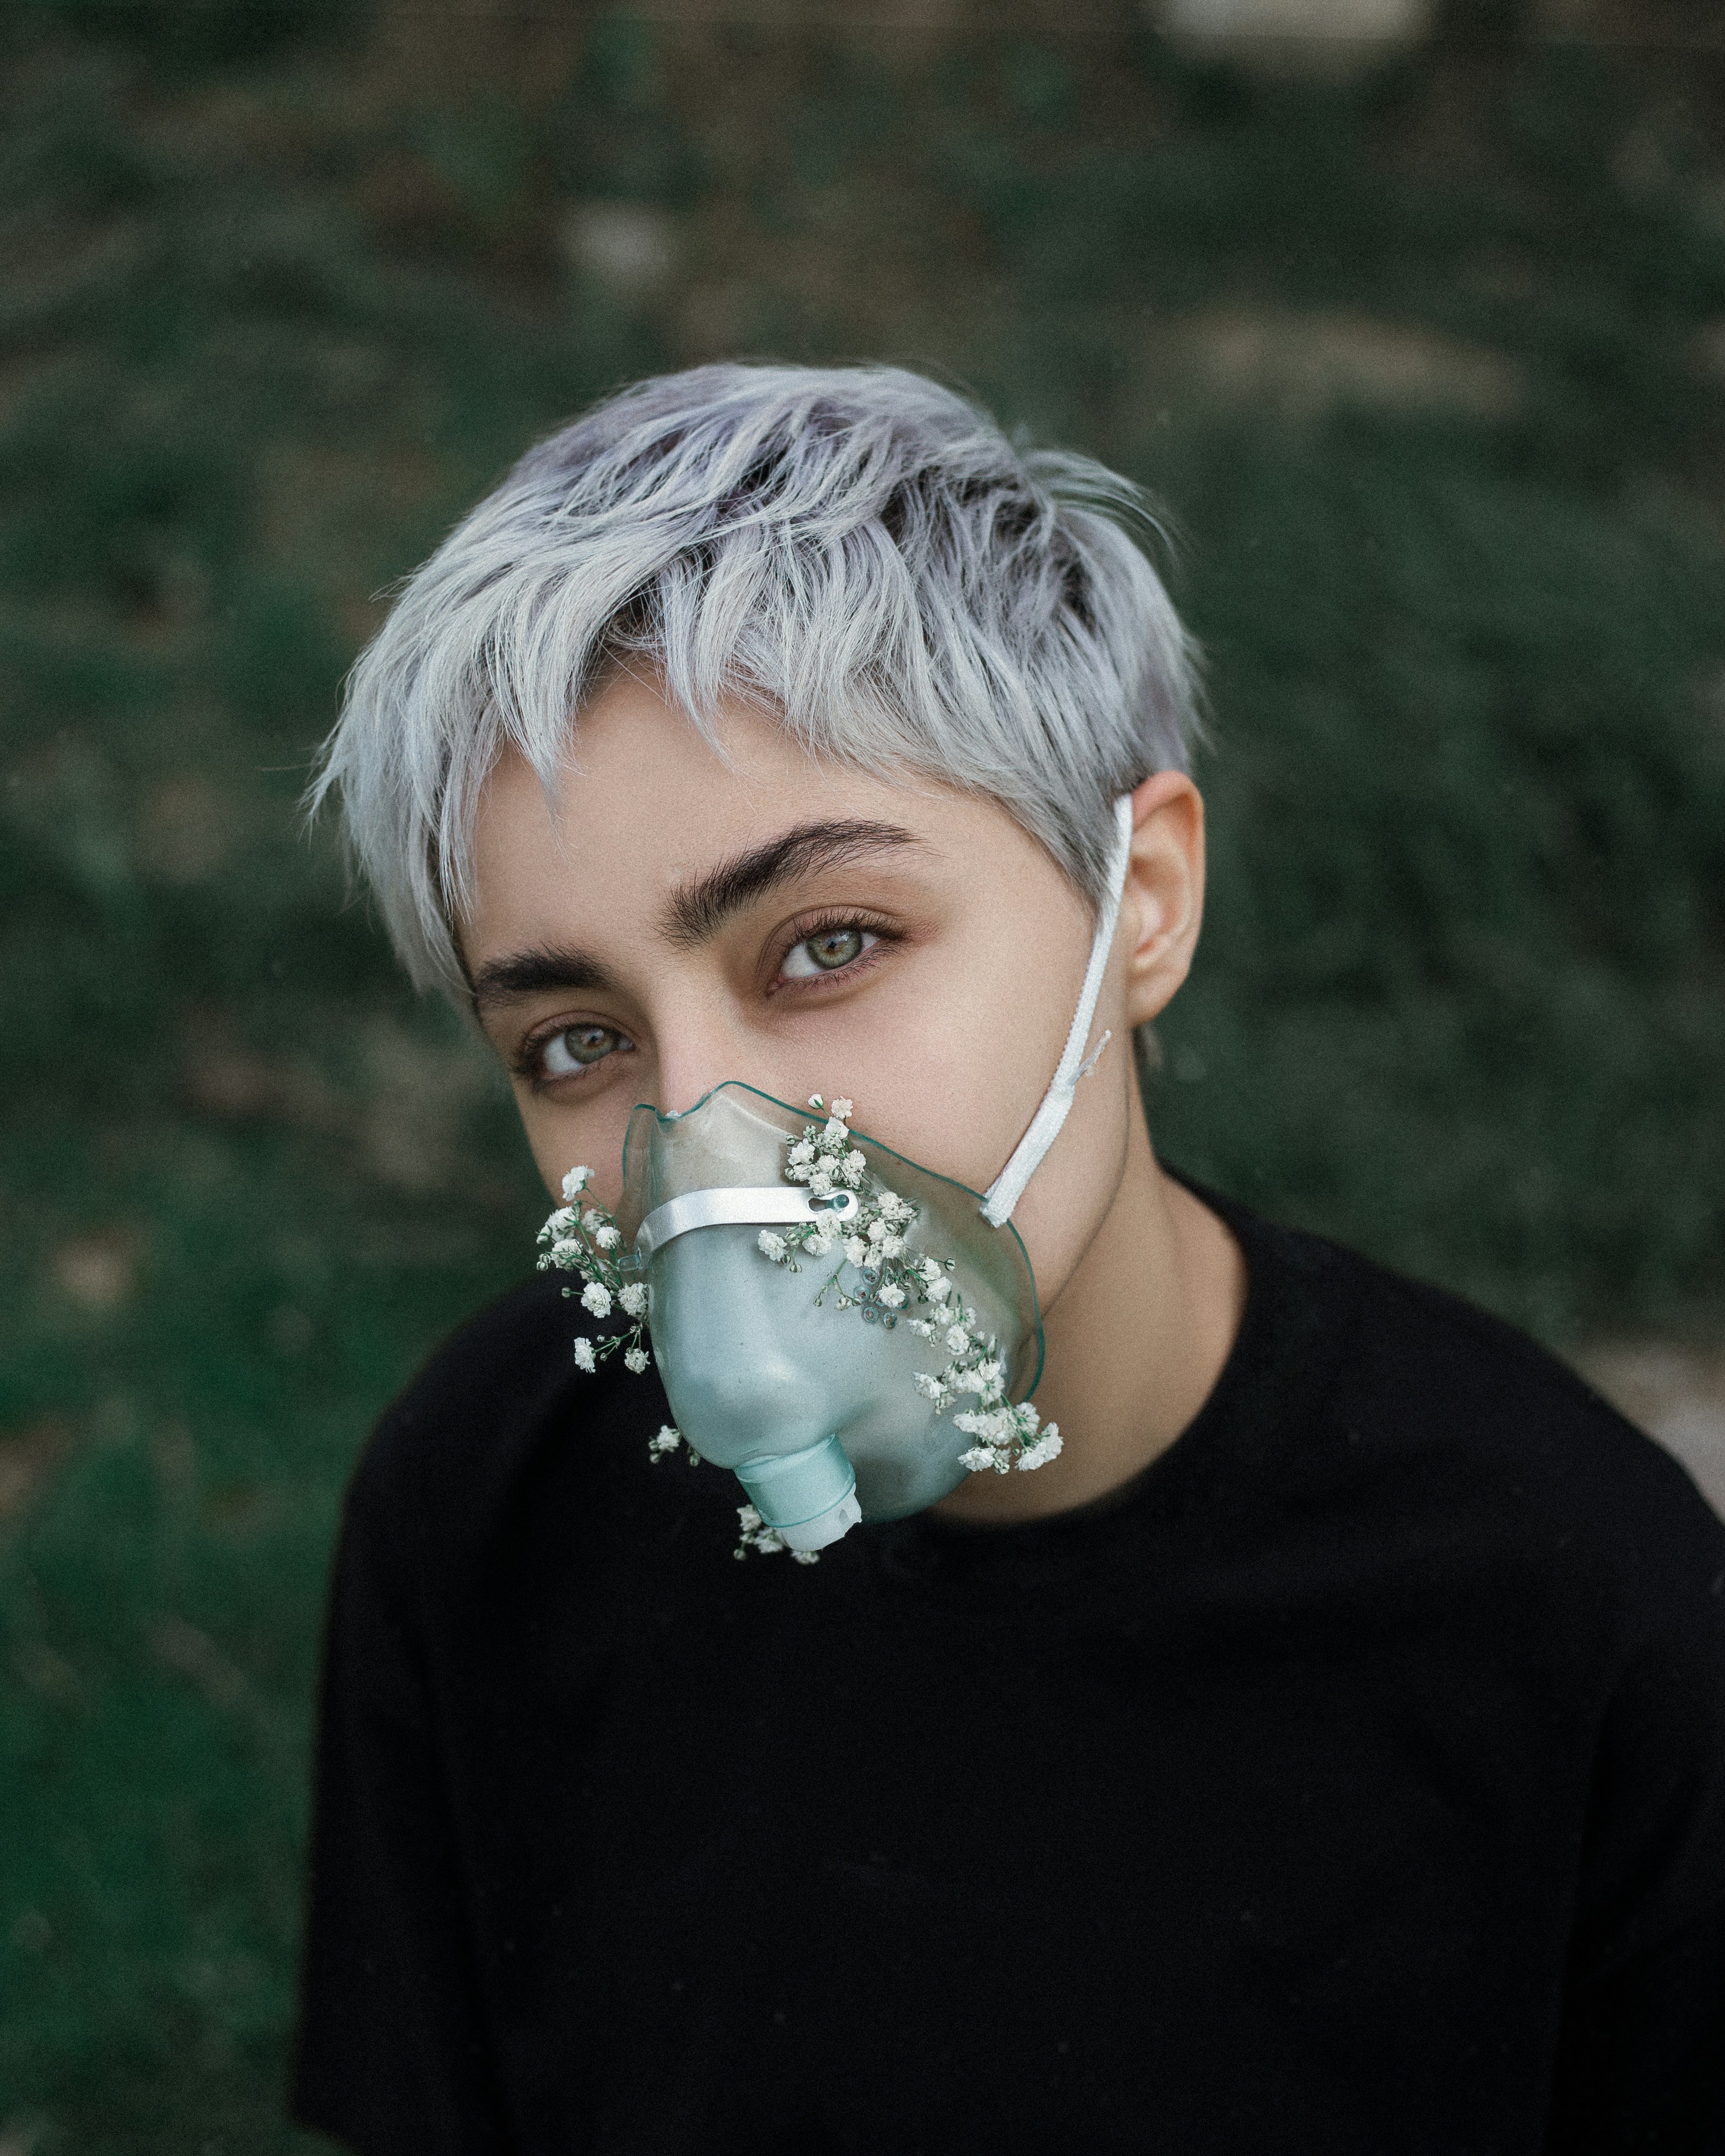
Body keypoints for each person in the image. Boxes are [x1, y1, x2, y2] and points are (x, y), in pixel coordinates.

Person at [292, 363, 1725, 2155]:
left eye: (826, 943)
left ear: (1141, 900)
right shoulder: (486, 1506)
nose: (708, 1144)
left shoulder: (1586, 1622)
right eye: (578, 1041)